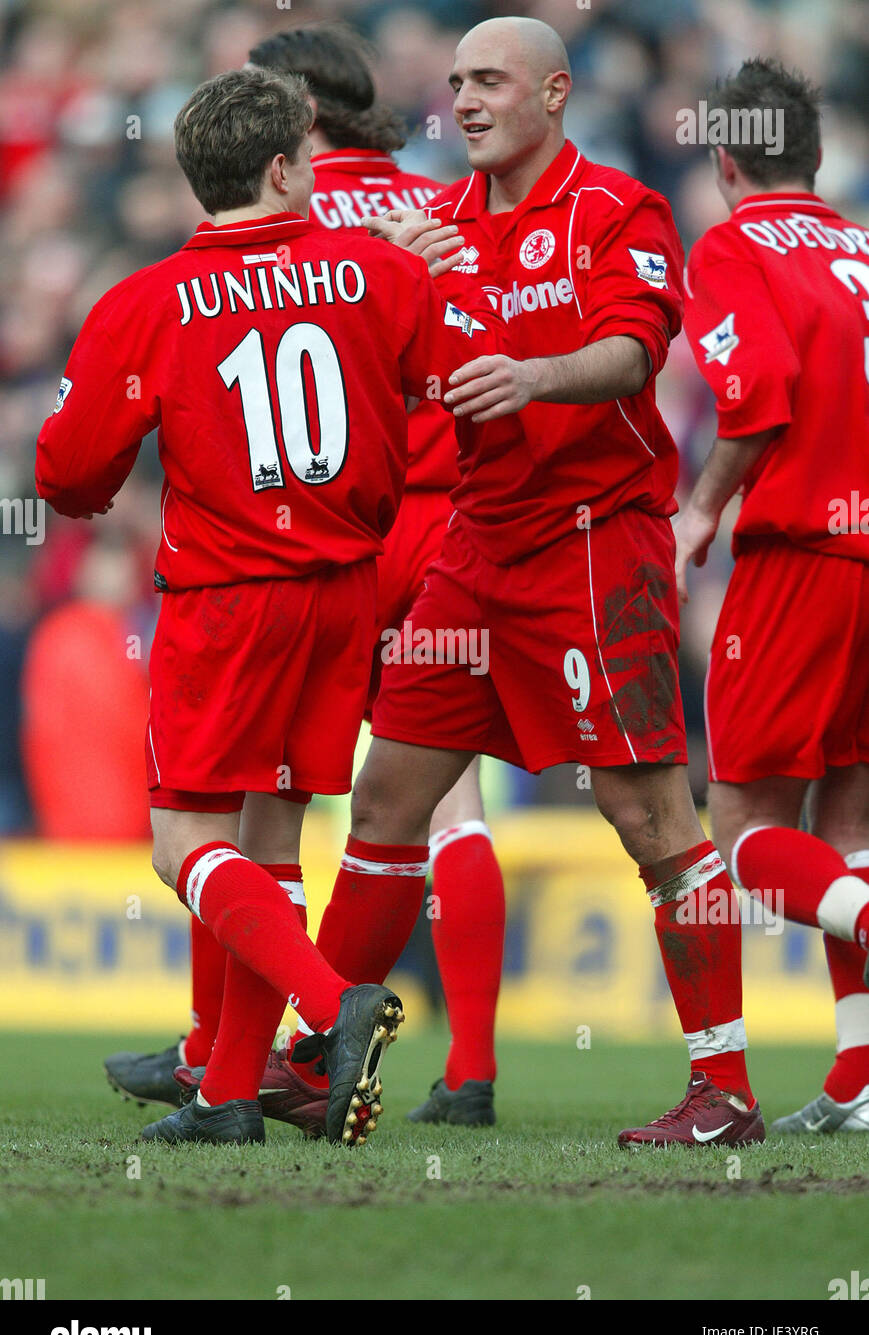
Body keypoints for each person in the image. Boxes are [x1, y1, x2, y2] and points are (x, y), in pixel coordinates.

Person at [303, 14, 766, 1148]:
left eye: (488, 82)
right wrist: (382, 290)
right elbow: (371, 371)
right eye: (454, 82)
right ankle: (321, 1062)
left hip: (596, 543)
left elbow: (634, 349)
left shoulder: (616, 209)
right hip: (476, 549)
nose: (462, 100)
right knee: (386, 800)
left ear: (553, 93)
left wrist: (535, 377)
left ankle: (725, 1090)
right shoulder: (433, 226)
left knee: (645, 812)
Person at [36, 66, 509, 1147]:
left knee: (184, 846)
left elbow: (65, 474)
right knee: (272, 840)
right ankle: (229, 1094)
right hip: (347, 589)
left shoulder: (143, 300)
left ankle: (327, 998)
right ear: (286, 167)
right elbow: (466, 392)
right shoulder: (377, 275)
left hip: (224, 601)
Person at [677, 59, 869, 1134]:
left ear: (722, 161)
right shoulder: (858, 245)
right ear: (814, 156)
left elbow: (753, 397)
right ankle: (856, 1077)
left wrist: (699, 509)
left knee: (746, 831)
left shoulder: (733, 244)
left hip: (799, 557)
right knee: (845, 820)